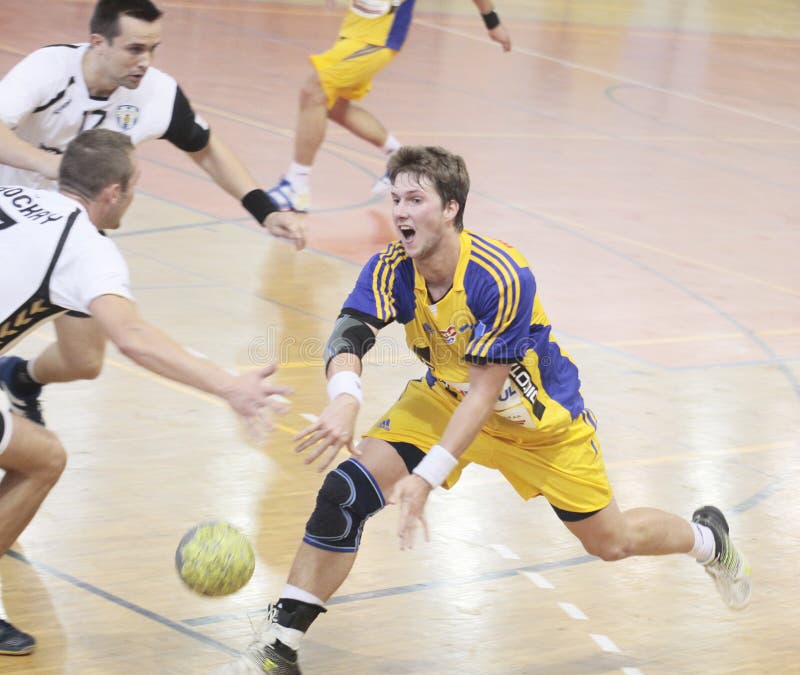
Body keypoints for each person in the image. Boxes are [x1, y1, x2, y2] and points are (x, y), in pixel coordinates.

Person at [218, 146, 752, 674]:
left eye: (415, 198)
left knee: (611, 543)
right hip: (442, 400)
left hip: (542, 429)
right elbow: (349, 334)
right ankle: (278, 649)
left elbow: (485, 392)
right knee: (345, 492)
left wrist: (425, 477)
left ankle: (709, 541)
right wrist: (345, 399)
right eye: (395, 197)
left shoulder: (499, 275)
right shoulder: (390, 267)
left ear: (450, 207)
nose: (400, 211)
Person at [0, 129, 292, 654]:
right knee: (43, 459)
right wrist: (230, 387)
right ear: (113, 193)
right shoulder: (87, 248)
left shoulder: (13, 194)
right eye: (135, 186)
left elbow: (86, 355)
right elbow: (133, 338)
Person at [0, 0, 304, 428]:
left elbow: (206, 148)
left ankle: (20, 377)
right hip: (12, 212)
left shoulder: (157, 93)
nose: (145, 62)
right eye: (134, 49)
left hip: (75, 233)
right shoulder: (48, 69)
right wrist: (51, 165)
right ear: (97, 43)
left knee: (84, 361)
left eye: (153, 49)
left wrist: (264, 210)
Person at [266, 0, 512, 213]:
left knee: (313, 91)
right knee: (332, 106)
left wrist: (492, 22)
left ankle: (296, 187)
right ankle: (396, 154)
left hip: (377, 40)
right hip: (353, 31)